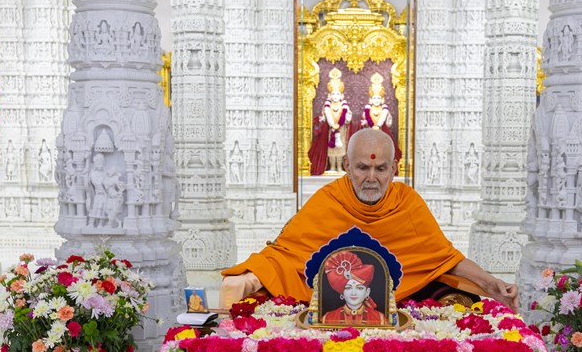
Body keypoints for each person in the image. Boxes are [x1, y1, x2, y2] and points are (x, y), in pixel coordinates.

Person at [220, 128, 518, 309]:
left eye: (381, 169)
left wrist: (491, 283)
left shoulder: (407, 204)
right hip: (332, 302)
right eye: (363, 168)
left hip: (400, 300)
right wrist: (250, 277)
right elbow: (287, 254)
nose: (372, 178)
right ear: (347, 165)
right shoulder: (328, 200)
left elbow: (444, 258)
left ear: (394, 169)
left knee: (459, 303)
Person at [319, 251, 387, 325]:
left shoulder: (380, 319)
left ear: (367, 292)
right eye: (348, 288)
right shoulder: (328, 319)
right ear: (342, 293)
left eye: (359, 288)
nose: (353, 293)